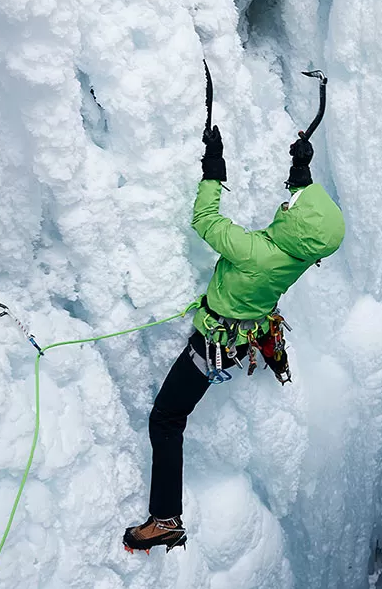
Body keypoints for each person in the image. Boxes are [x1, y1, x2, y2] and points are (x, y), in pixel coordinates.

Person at [123, 121, 345, 554]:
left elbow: (204, 219)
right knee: (170, 418)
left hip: (213, 343)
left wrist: (214, 166)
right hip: (242, 334)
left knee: (166, 421)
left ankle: (165, 519)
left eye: (292, 207)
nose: (286, 206)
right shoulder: (301, 253)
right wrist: (302, 170)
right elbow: (308, 220)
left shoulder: (257, 252)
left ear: (299, 228)